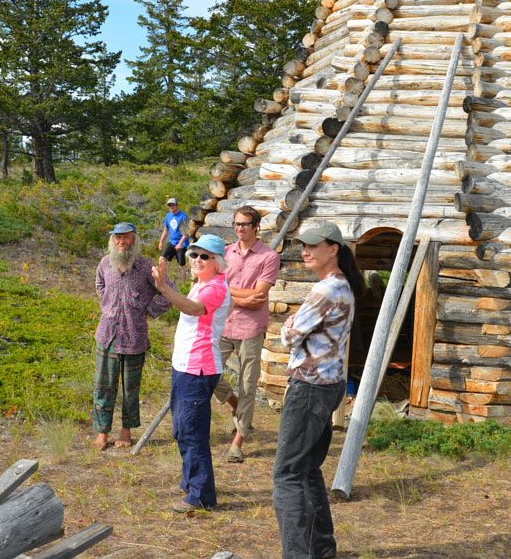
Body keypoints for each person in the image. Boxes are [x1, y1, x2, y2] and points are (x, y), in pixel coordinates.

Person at [272, 222, 365, 559]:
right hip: (329, 386)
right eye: (302, 245)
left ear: (333, 249)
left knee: (287, 475)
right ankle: (322, 550)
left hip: (310, 387)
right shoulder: (342, 287)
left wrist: (289, 325)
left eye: (313, 245)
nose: (305, 251)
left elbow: (289, 336)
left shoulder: (327, 290)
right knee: (308, 470)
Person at [151, 233, 231, 513]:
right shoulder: (203, 283)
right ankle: (191, 482)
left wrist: (163, 287)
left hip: (198, 369)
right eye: (194, 254)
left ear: (217, 263)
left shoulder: (216, 288)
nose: (197, 259)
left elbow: (192, 309)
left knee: (193, 434)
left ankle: (201, 496)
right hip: (185, 366)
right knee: (182, 429)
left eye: (204, 256)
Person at [93, 222, 172, 451]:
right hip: (106, 335)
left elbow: (169, 293)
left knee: (130, 389)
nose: (121, 242)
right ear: (112, 240)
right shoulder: (105, 264)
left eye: (126, 238)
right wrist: (109, 306)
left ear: (134, 240)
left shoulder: (147, 267)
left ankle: (126, 432)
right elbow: (100, 286)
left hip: (134, 338)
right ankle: (102, 433)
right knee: (103, 386)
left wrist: (146, 311)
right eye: (117, 238)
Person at [212, 206, 280, 463]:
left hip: (250, 329)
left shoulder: (269, 256)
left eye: (245, 224)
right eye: (236, 224)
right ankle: (235, 405)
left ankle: (237, 443)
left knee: (248, 384)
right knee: (209, 374)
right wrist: (239, 294)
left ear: (256, 226)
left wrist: (227, 293)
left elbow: (259, 297)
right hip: (224, 325)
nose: (239, 228)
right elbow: (216, 286)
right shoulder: (225, 252)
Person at [158, 197, 190, 285]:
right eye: (169, 205)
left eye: (173, 205)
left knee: (181, 266)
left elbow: (186, 231)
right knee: (162, 259)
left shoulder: (183, 216)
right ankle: (163, 281)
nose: (171, 207)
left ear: (177, 205)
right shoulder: (168, 216)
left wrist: (180, 244)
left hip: (182, 243)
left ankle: (183, 285)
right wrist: (161, 242)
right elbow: (165, 229)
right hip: (171, 241)